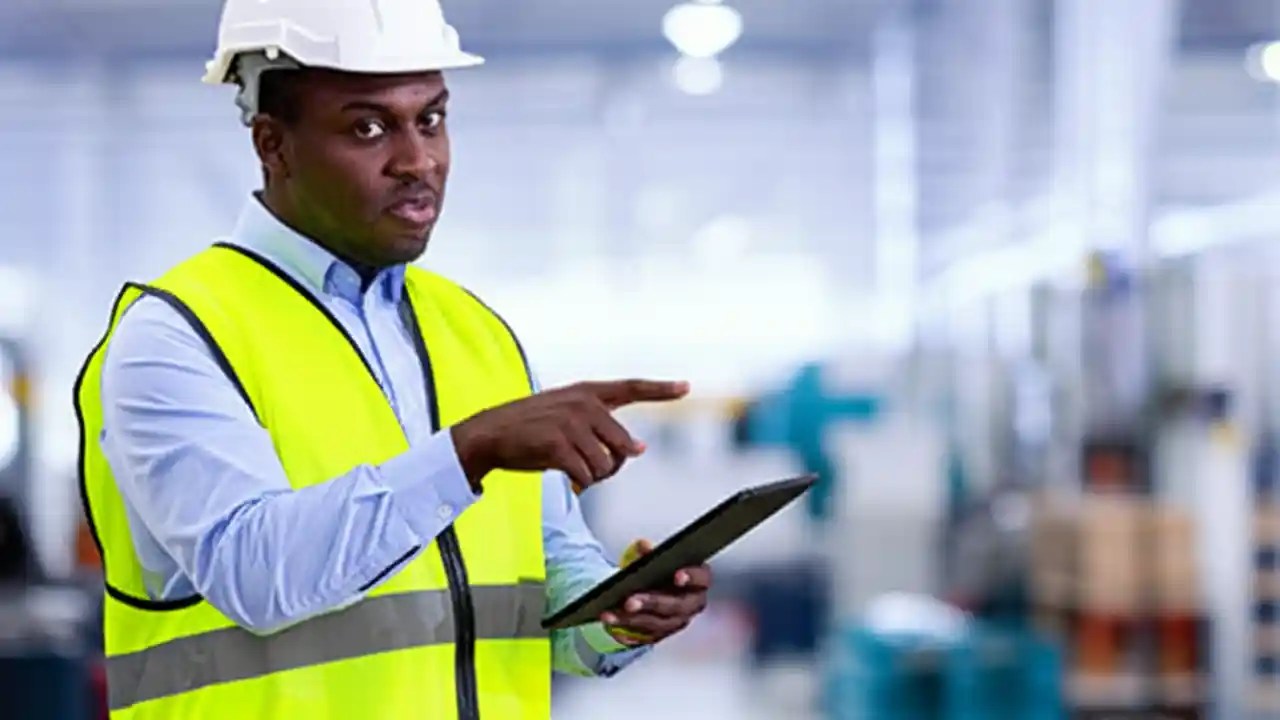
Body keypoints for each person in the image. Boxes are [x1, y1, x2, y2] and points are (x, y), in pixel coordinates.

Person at [73, 1, 712, 718]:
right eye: (368, 128)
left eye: (431, 119)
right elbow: (255, 574)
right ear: (272, 145)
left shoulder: (476, 333)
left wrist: (617, 615)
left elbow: (540, 581)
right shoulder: (177, 336)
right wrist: (469, 451)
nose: (418, 161)